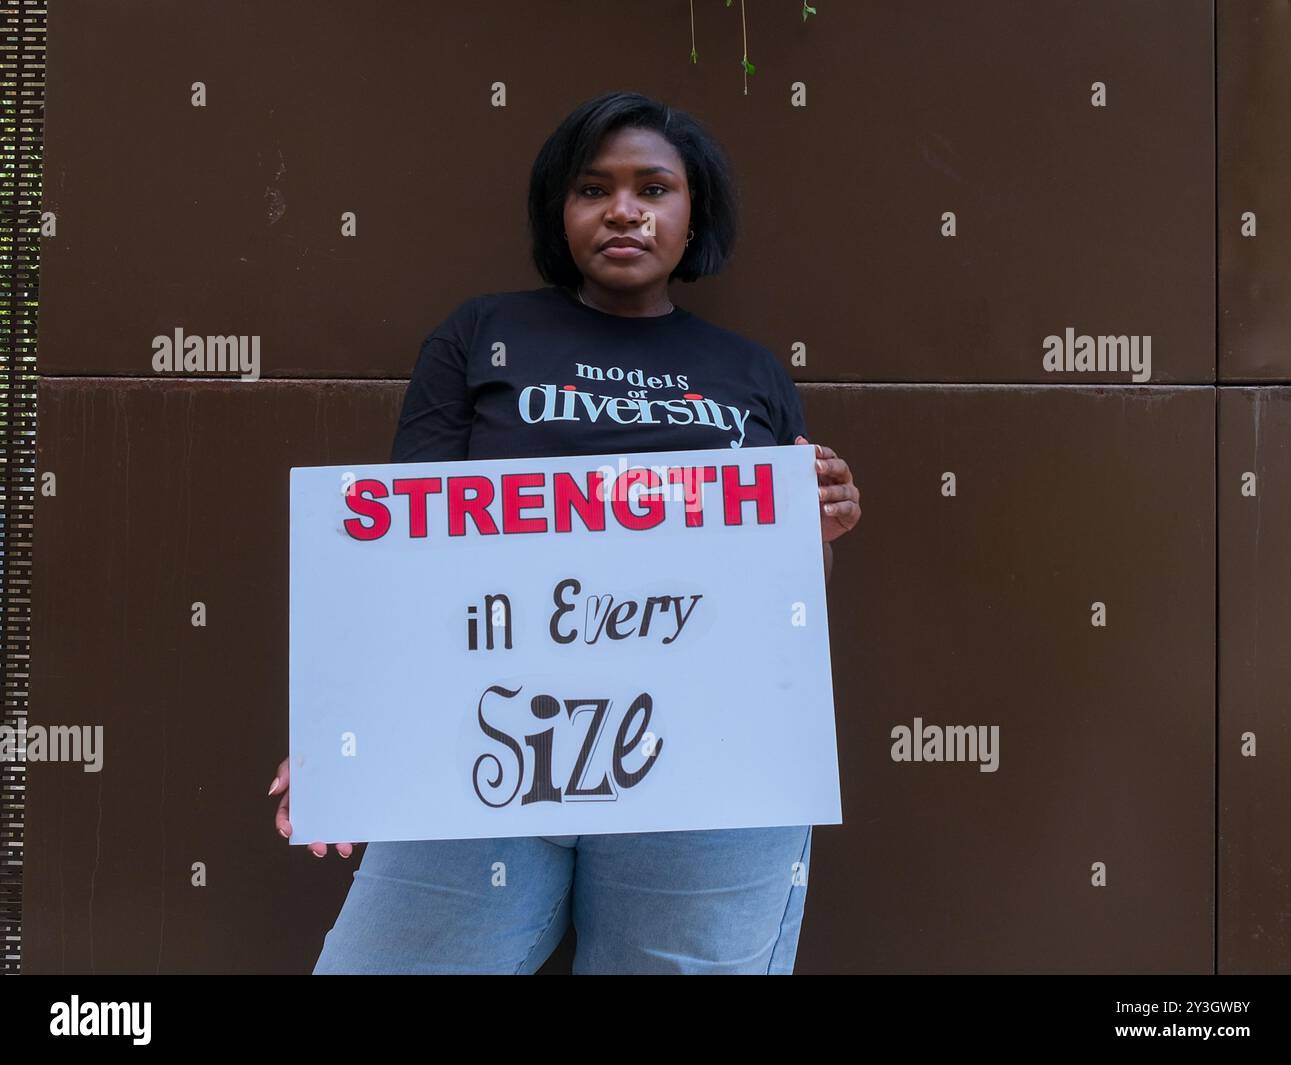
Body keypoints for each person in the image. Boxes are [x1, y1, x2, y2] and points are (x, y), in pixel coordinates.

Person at [269, 90, 861, 974]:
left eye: (654, 187)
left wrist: (820, 521)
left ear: (694, 214)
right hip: (483, 745)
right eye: (594, 188)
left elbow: (779, 595)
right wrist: (353, 734)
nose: (624, 209)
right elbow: (396, 552)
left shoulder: (751, 373)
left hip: (711, 763)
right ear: (562, 210)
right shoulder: (482, 335)